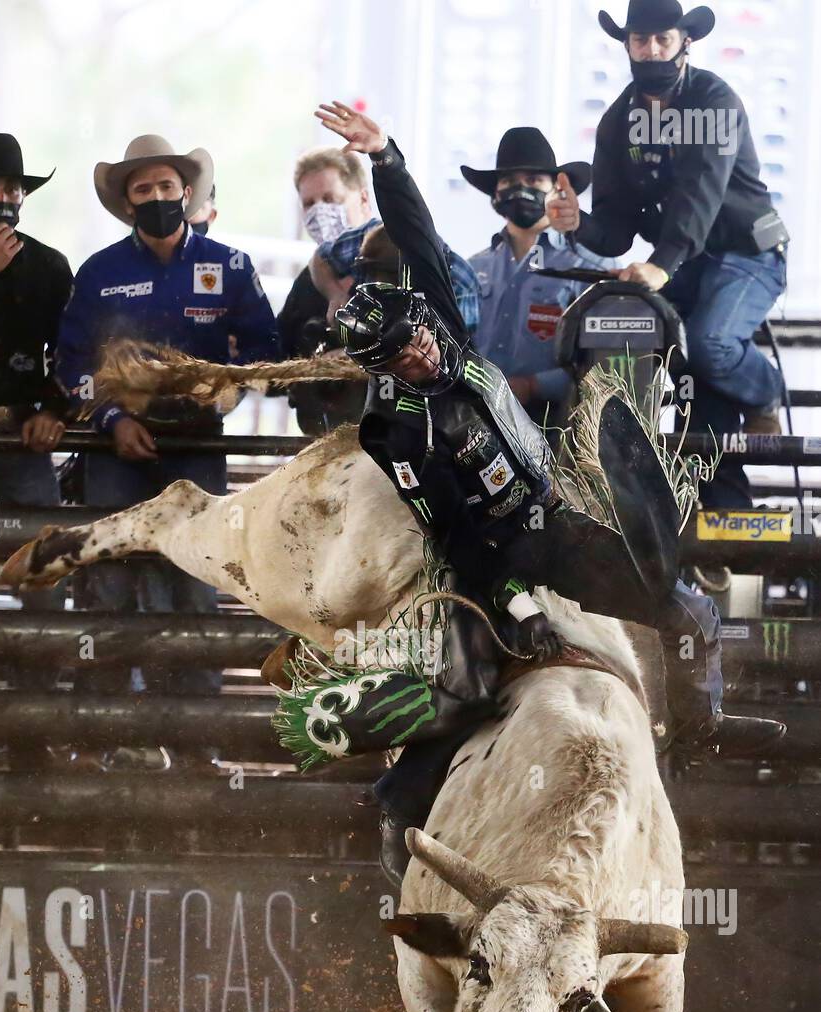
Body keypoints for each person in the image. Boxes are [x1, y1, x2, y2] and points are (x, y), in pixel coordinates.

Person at [313, 100, 785, 884]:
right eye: (405, 353)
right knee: (458, 693)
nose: (426, 353)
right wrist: (511, 600)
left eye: (424, 335)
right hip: (480, 556)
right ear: (385, 367)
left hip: (549, 519)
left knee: (688, 610)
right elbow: (453, 532)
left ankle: (701, 727)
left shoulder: (445, 337)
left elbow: (420, 237)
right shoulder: (397, 430)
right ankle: (401, 807)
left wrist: (387, 158)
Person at [55, 134, 280, 768]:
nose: (156, 197)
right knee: (111, 587)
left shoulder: (230, 267)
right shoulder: (98, 273)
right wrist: (110, 419)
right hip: (117, 455)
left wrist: (233, 388)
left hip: (197, 449)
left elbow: (266, 346)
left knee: (195, 589)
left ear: (187, 192)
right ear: (127, 202)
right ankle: (106, 744)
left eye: (164, 186)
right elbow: (69, 362)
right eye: (142, 189)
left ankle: (195, 748)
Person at [547, 0, 788, 505]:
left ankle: (765, 389)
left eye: (662, 38)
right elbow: (615, 229)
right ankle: (709, 514)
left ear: (685, 41)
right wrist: (577, 224)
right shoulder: (618, 122)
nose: (651, 49)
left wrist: (661, 263)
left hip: (748, 254)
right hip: (685, 265)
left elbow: (701, 189)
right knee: (683, 360)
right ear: (628, 45)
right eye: (641, 39)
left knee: (710, 343)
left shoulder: (714, 100)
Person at [0, 132, 72, 772]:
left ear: (23, 196)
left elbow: (74, 354)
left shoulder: (51, 266)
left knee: (43, 579)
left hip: (25, 443)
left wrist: (57, 409)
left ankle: (36, 729)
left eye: (11, 189)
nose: (1, 200)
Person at [463, 128, 616, 427]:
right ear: (495, 193)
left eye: (533, 180)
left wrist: (533, 385)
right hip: (477, 421)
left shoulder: (590, 265)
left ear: (557, 190)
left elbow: (609, 361)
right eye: (508, 181)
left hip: (561, 425)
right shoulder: (473, 268)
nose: (519, 189)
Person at [277, 147, 375, 433]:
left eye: (331, 199)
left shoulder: (397, 264)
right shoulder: (306, 283)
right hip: (321, 443)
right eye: (309, 203)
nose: (320, 211)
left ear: (363, 199)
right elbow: (276, 359)